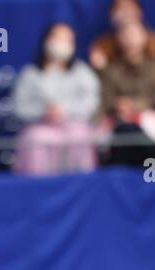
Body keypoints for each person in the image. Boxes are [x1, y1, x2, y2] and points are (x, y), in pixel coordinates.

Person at [12, 23, 101, 175]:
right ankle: (38, 188)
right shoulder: (30, 73)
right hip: (41, 126)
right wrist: (43, 112)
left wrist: (65, 110)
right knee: (36, 140)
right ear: (46, 41)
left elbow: (91, 103)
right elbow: (19, 107)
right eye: (58, 38)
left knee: (81, 136)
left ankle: (80, 186)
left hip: (73, 124)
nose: (62, 44)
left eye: (68, 40)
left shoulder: (82, 72)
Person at [97, 18, 155, 166]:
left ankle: (151, 176)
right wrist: (118, 106)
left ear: (144, 36)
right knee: (122, 134)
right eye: (125, 34)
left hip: (151, 122)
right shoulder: (111, 70)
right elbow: (105, 99)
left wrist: (135, 105)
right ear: (118, 39)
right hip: (119, 122)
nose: (130, 39)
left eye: (134, 34)